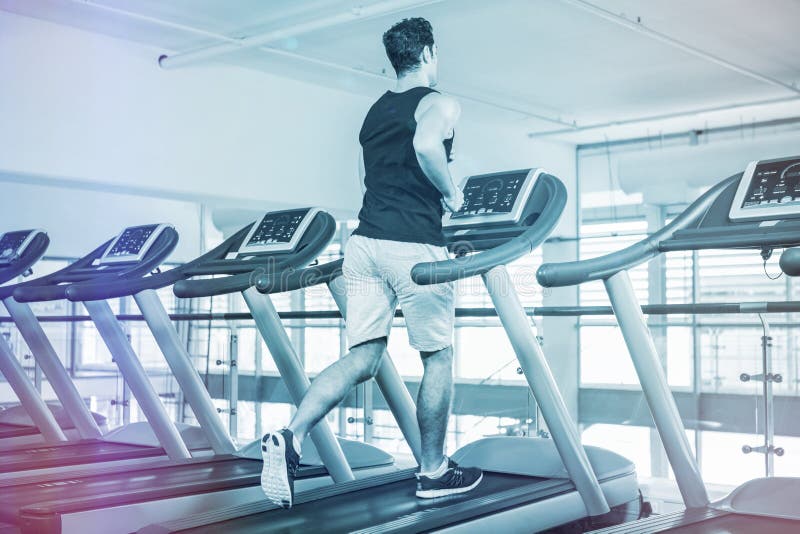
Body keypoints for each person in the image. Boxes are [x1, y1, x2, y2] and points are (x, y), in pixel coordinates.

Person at [260, 16, 482, 509]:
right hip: (414, 245)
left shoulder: (374, 112)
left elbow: (367, 177)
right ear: (426, 52)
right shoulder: (439, 102)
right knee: (438, 356)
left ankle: (292, 436)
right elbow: (426, 145)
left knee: (364, 355)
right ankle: (432, 471)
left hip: (363, 244)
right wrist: (452, 195)